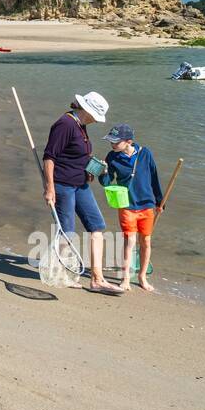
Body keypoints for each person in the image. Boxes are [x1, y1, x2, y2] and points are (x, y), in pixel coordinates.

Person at [41, 91, 122, 294]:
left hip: (81, 184)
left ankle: (97, 279)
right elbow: (49, 157)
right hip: (63, 185)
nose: (96, 120)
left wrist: (90, 169)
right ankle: (62, 274)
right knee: (66, 232)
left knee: (97, 226)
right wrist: (49, 188)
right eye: (95, 115)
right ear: (86, 110)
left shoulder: (81, 125)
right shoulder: (65, 124)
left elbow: (76, 154)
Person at [98, 124, 164, 292]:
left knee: (146, 241)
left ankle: (142, 276)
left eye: (116, 141)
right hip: (126, 205)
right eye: (111, 141)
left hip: (147, 204)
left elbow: (154, 177)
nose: (112, 144)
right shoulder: (112, 157)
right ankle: (126, 277)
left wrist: (159, 201)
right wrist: (104, 171)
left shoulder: (145, 154)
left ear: (128, 141)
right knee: (130, 241)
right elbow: (106, 184)